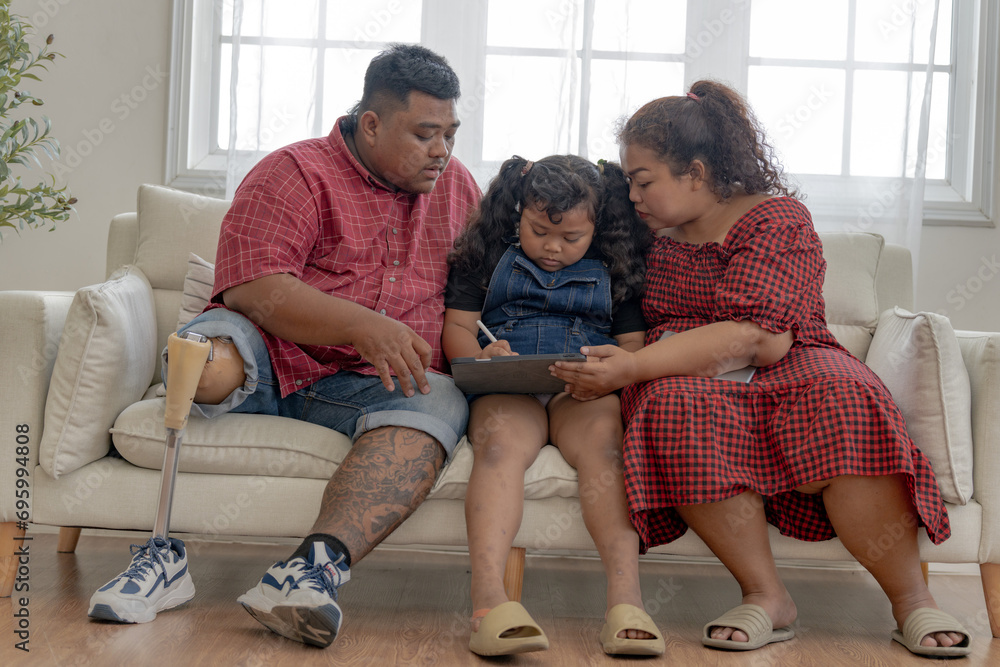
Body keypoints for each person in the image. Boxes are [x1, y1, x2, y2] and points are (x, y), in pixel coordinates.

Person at [550, 81, 971, 658]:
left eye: (643, 180)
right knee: (671, 407)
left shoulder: (777, 220)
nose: (633, 193)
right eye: (627, 179)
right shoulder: (643, 234)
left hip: (794, 363)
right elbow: (545, 235)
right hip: (683, 373)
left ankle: (912, 600)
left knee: (846, 399)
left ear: (695, 172)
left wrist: (634, 366)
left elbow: (759, 340)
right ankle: (767, 595)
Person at [88, 44, 481, 649]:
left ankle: (306, 574)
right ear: (371, 124)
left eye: (450, 133)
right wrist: (360, 323)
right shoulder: (294, 172)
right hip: (265, 358)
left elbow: (472, 299)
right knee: (207, 363)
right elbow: (252, 287)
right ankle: (160, 559)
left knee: (439, 400)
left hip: (365, 386)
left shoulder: (457, 189)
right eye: (425, 134)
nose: (442, 150)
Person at [442, 154, 664, 656]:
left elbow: (632, 347)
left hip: (580, 386)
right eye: (539, 231)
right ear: (519, 213)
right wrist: (481, 356)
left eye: (571, 239)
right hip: (507, 381)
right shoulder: (486, 252)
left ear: (596, 228)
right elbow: (457, 326)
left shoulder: (617, 263)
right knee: (499, 449)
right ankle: (489, 601)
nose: (552, 249)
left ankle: (626, 600)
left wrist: (606, 374)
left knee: (606, 451)